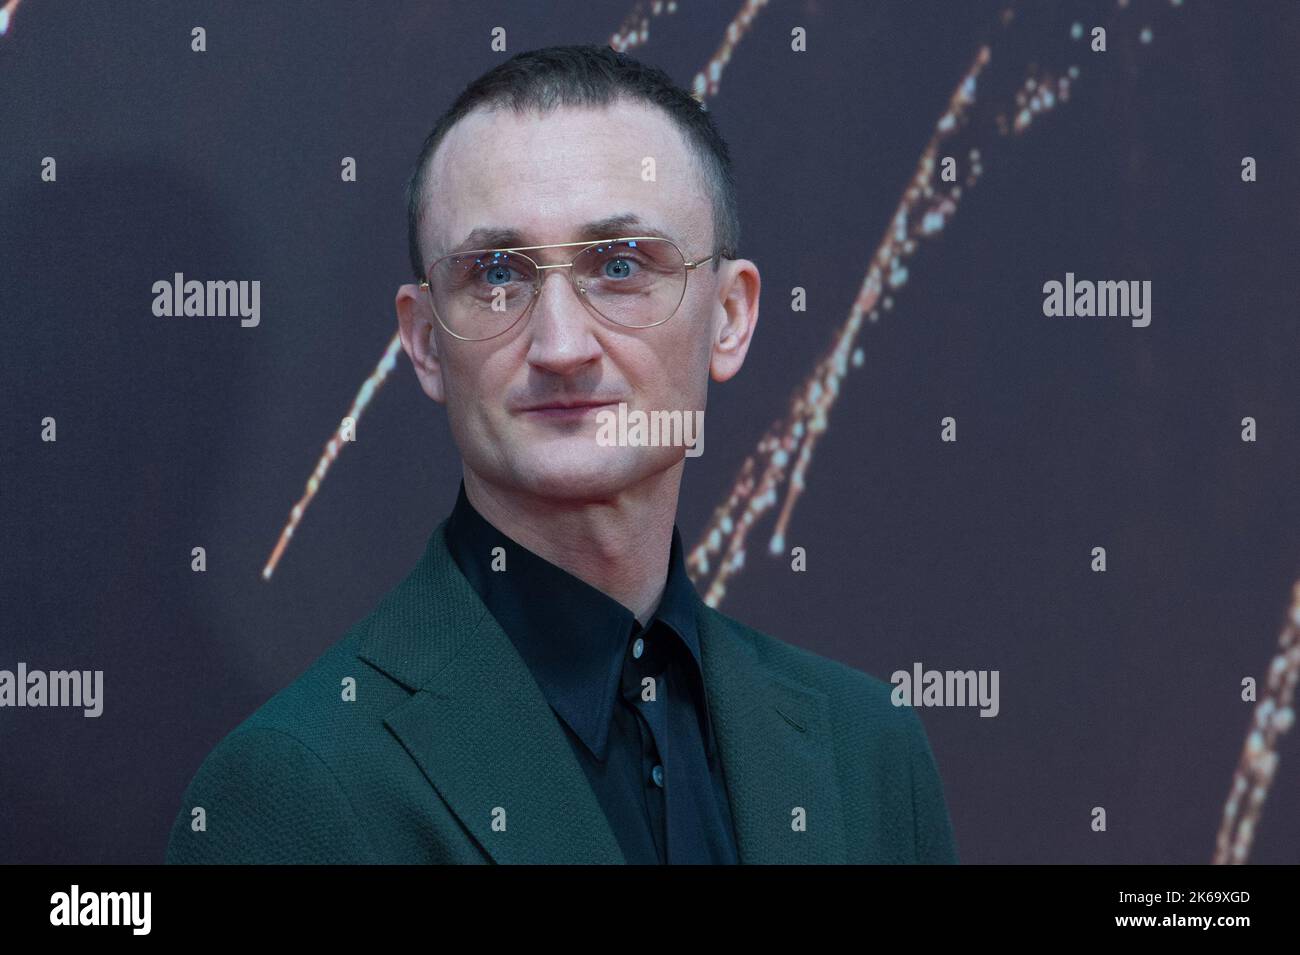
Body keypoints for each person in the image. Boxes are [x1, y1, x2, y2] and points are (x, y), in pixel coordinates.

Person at [165, 43, 958, 865]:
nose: (561, 344)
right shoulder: (295, 786)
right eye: (498, 275)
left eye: (619, 266)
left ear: (730, 316)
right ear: (425, 342)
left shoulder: (869, 752)